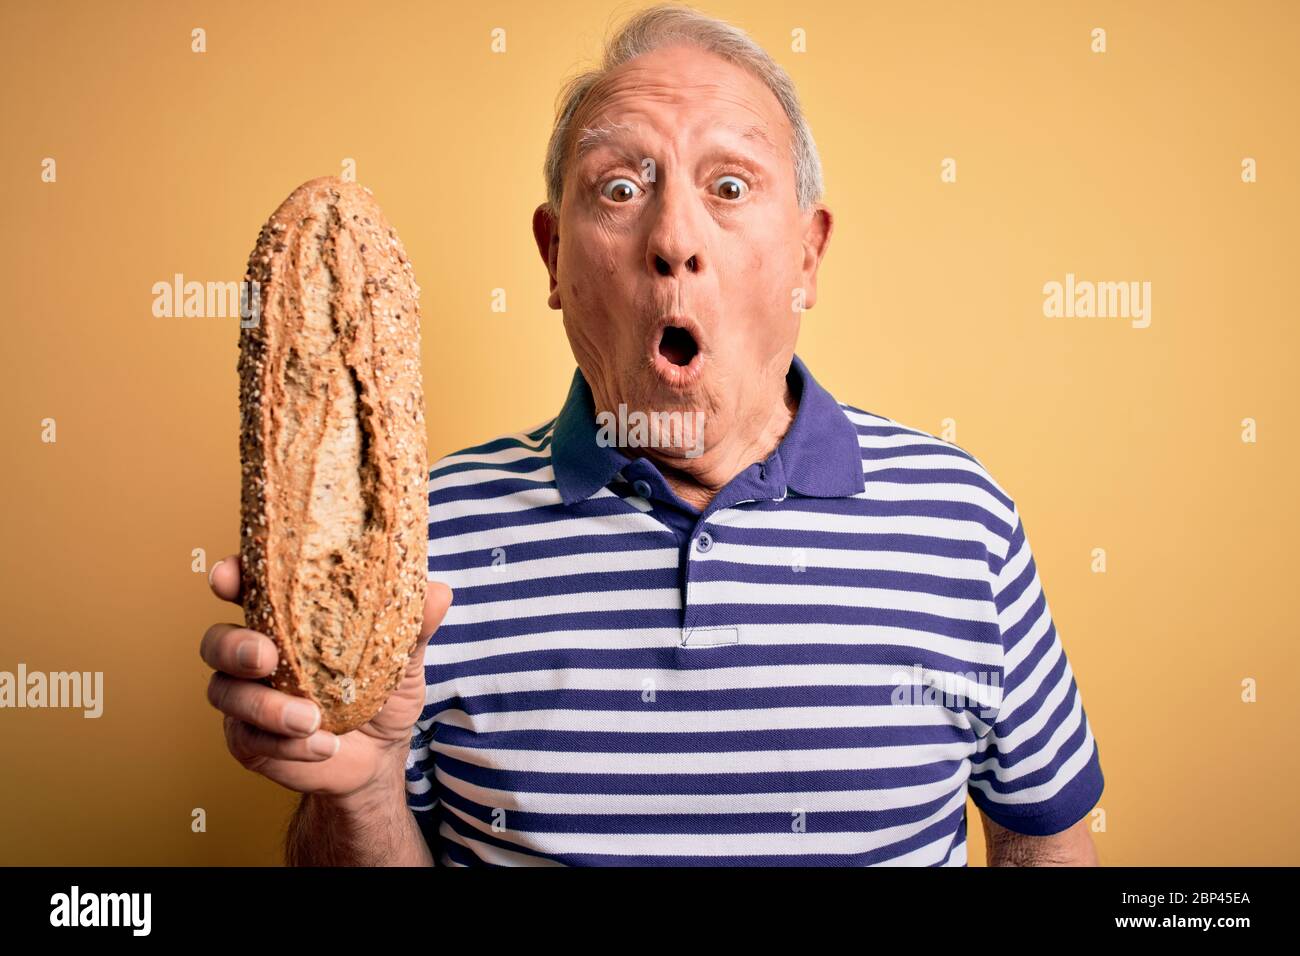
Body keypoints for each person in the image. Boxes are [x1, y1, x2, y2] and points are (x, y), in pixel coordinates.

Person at [201, 3, 1103, 866]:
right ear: (554, 257)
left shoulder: (962, 522)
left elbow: (1043, 842)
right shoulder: (420, 545)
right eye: (621, 188)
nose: (674, 239)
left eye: (732, 186)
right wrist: (355, 796)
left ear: (806, 257)